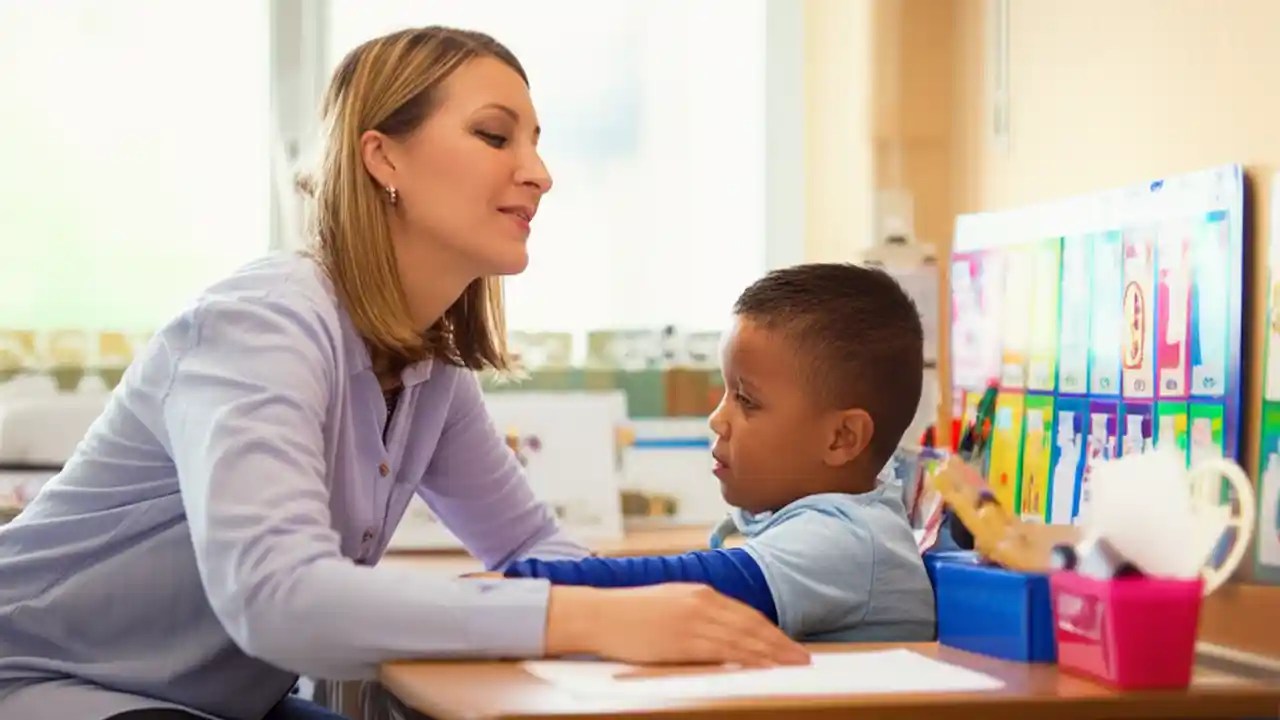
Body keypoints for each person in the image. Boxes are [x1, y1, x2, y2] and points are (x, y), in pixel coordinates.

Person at [0, 26, 806, 720]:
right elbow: (276, 598)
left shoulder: (427, 369)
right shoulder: (262, 323)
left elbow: (528, 542)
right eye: (497, 137)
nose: (540, 172)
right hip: (52, 686)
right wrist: (584, 619)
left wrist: (703, 610)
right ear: (383, 158)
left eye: (536, 142)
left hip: (206, 701)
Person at [502, 264, 937, 642]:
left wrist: (503, 591)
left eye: (746, 401)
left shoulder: (849, 540)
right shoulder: (828, 521)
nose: (717, 419)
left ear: (841, 438)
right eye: (725, 392)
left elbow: (691, 587)